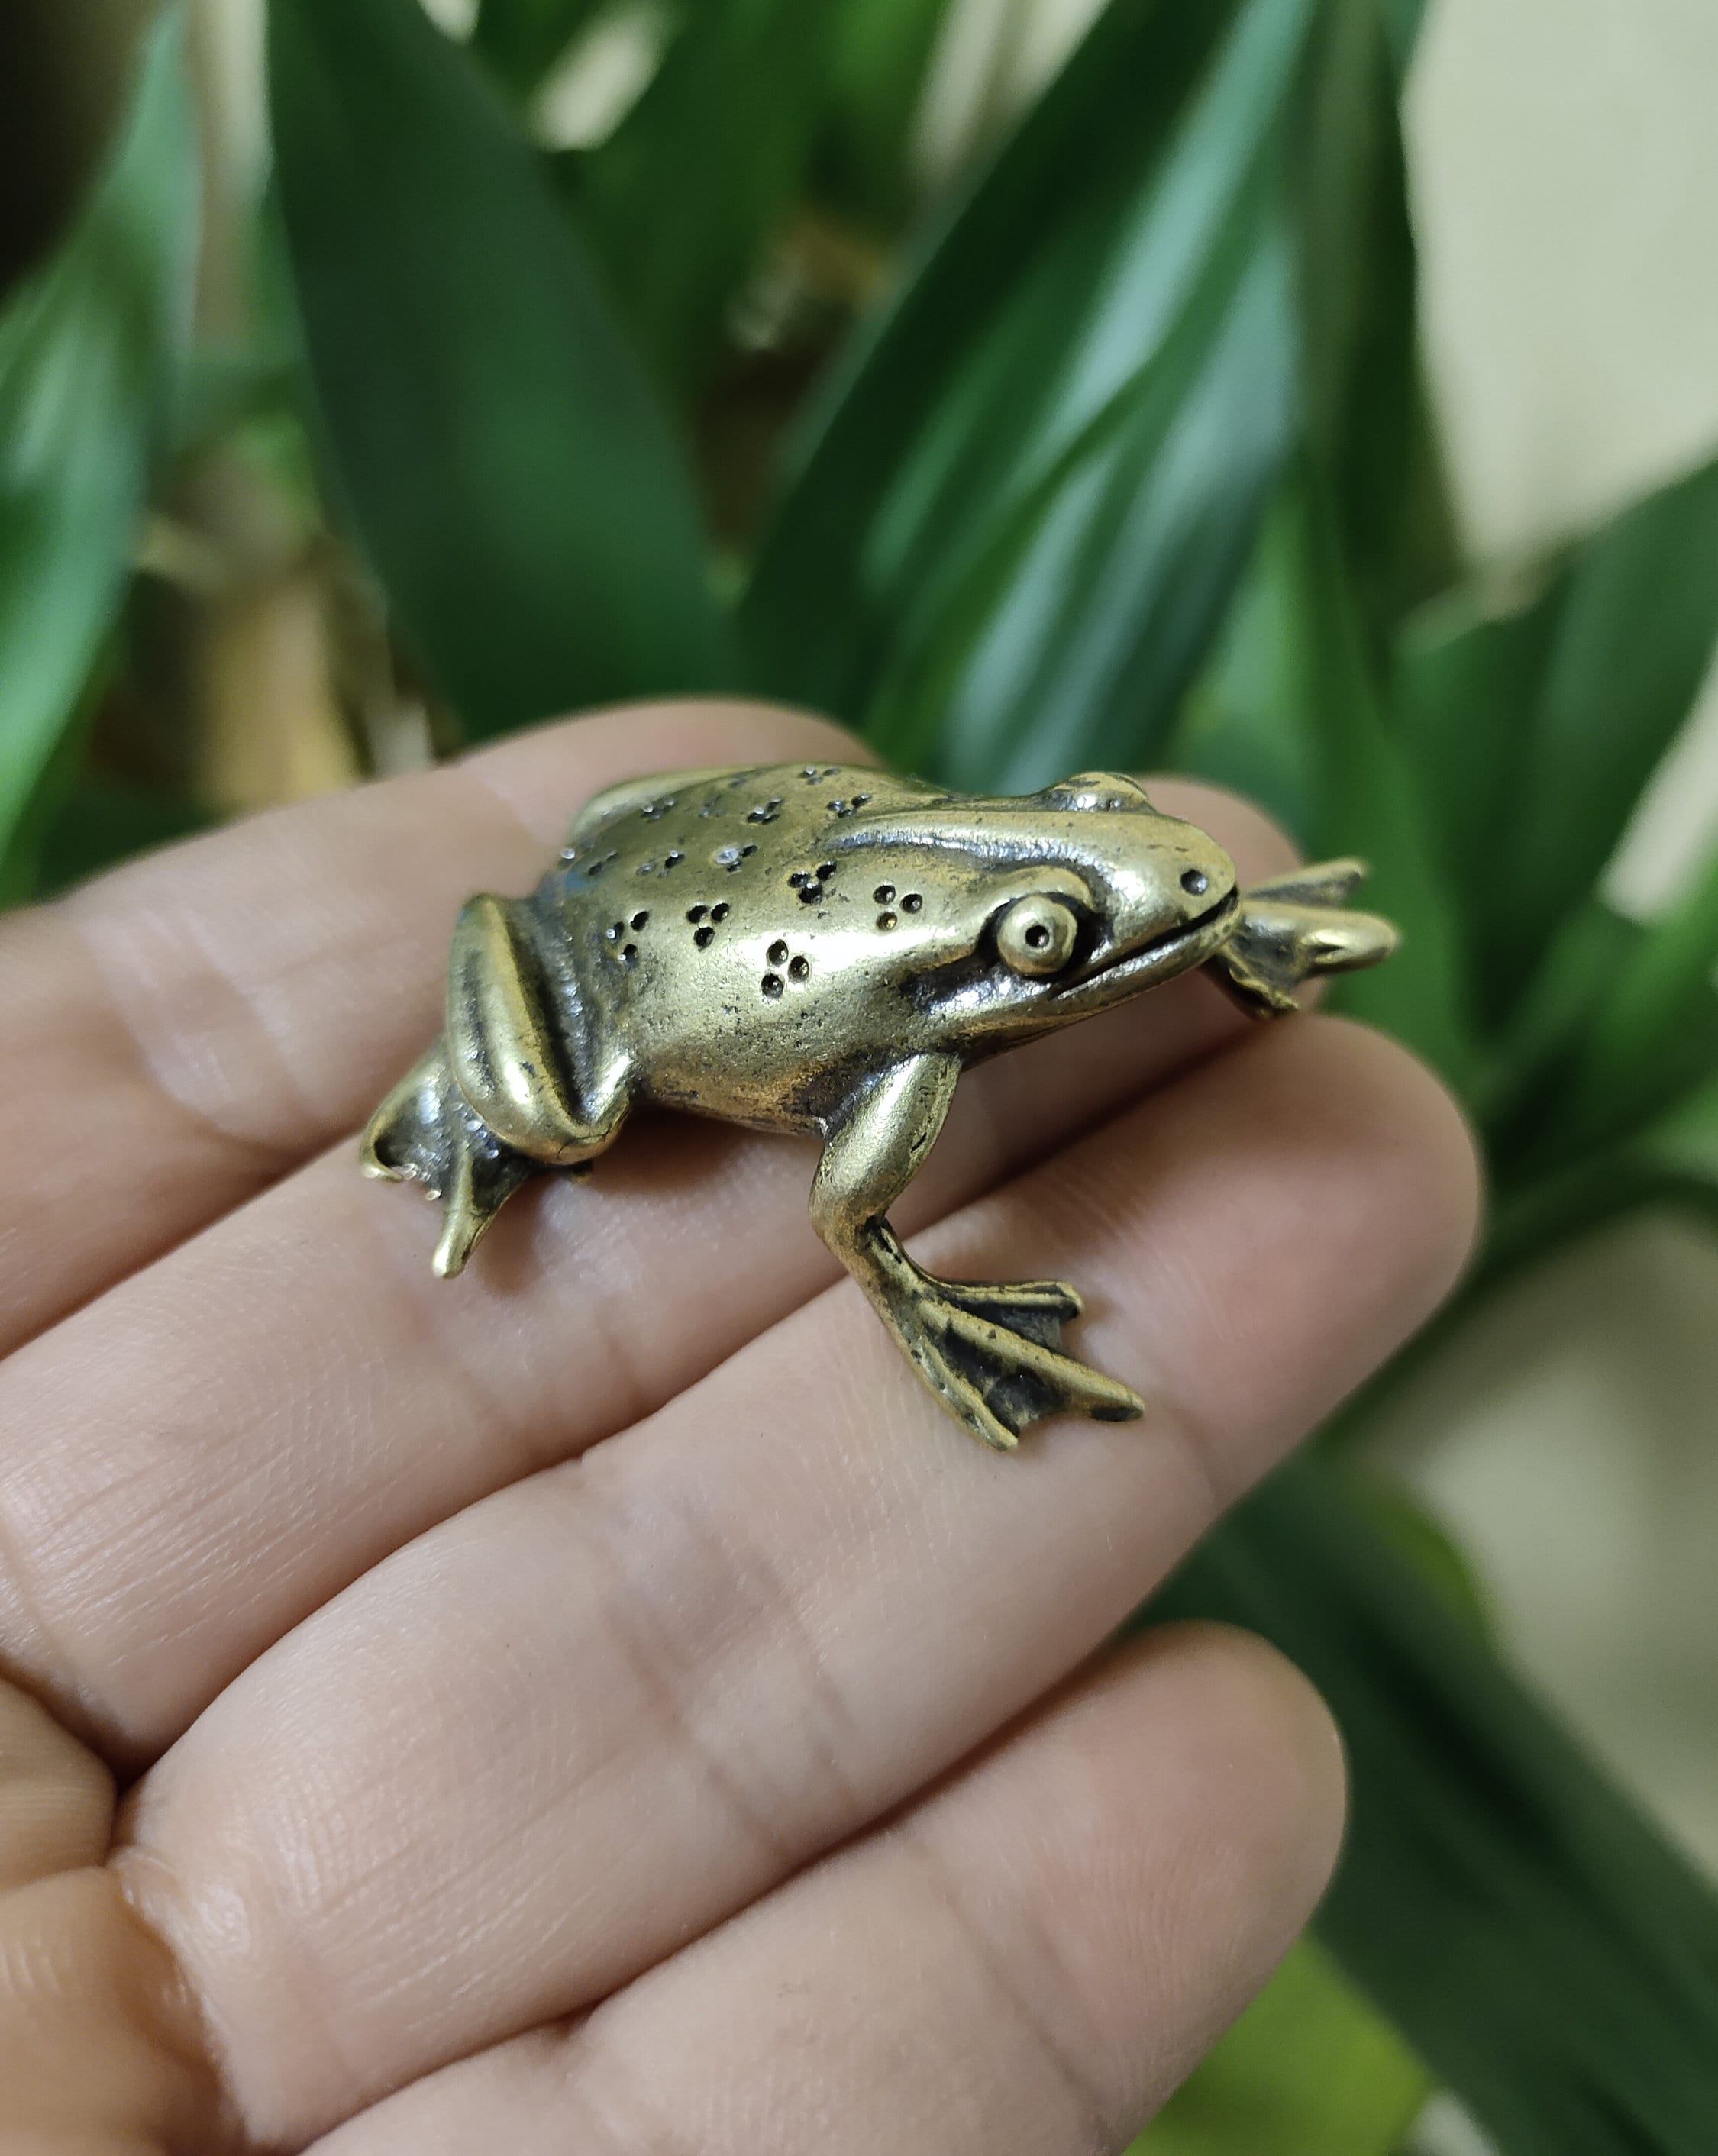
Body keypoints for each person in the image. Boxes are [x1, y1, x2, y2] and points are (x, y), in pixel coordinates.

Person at [0, 701, 1477, 2153]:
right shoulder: (908, 1060)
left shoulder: (990, 902)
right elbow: (848, 1203)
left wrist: (1222, 929)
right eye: (1037, 942)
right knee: (569, 1120)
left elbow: (1101, 899)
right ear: (980, 977)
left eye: (1088, 818)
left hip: (667, 850)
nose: (1149, 872)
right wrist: (915, 1300)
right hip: (608, 974)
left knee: (1117, 914)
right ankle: (462, 1106)